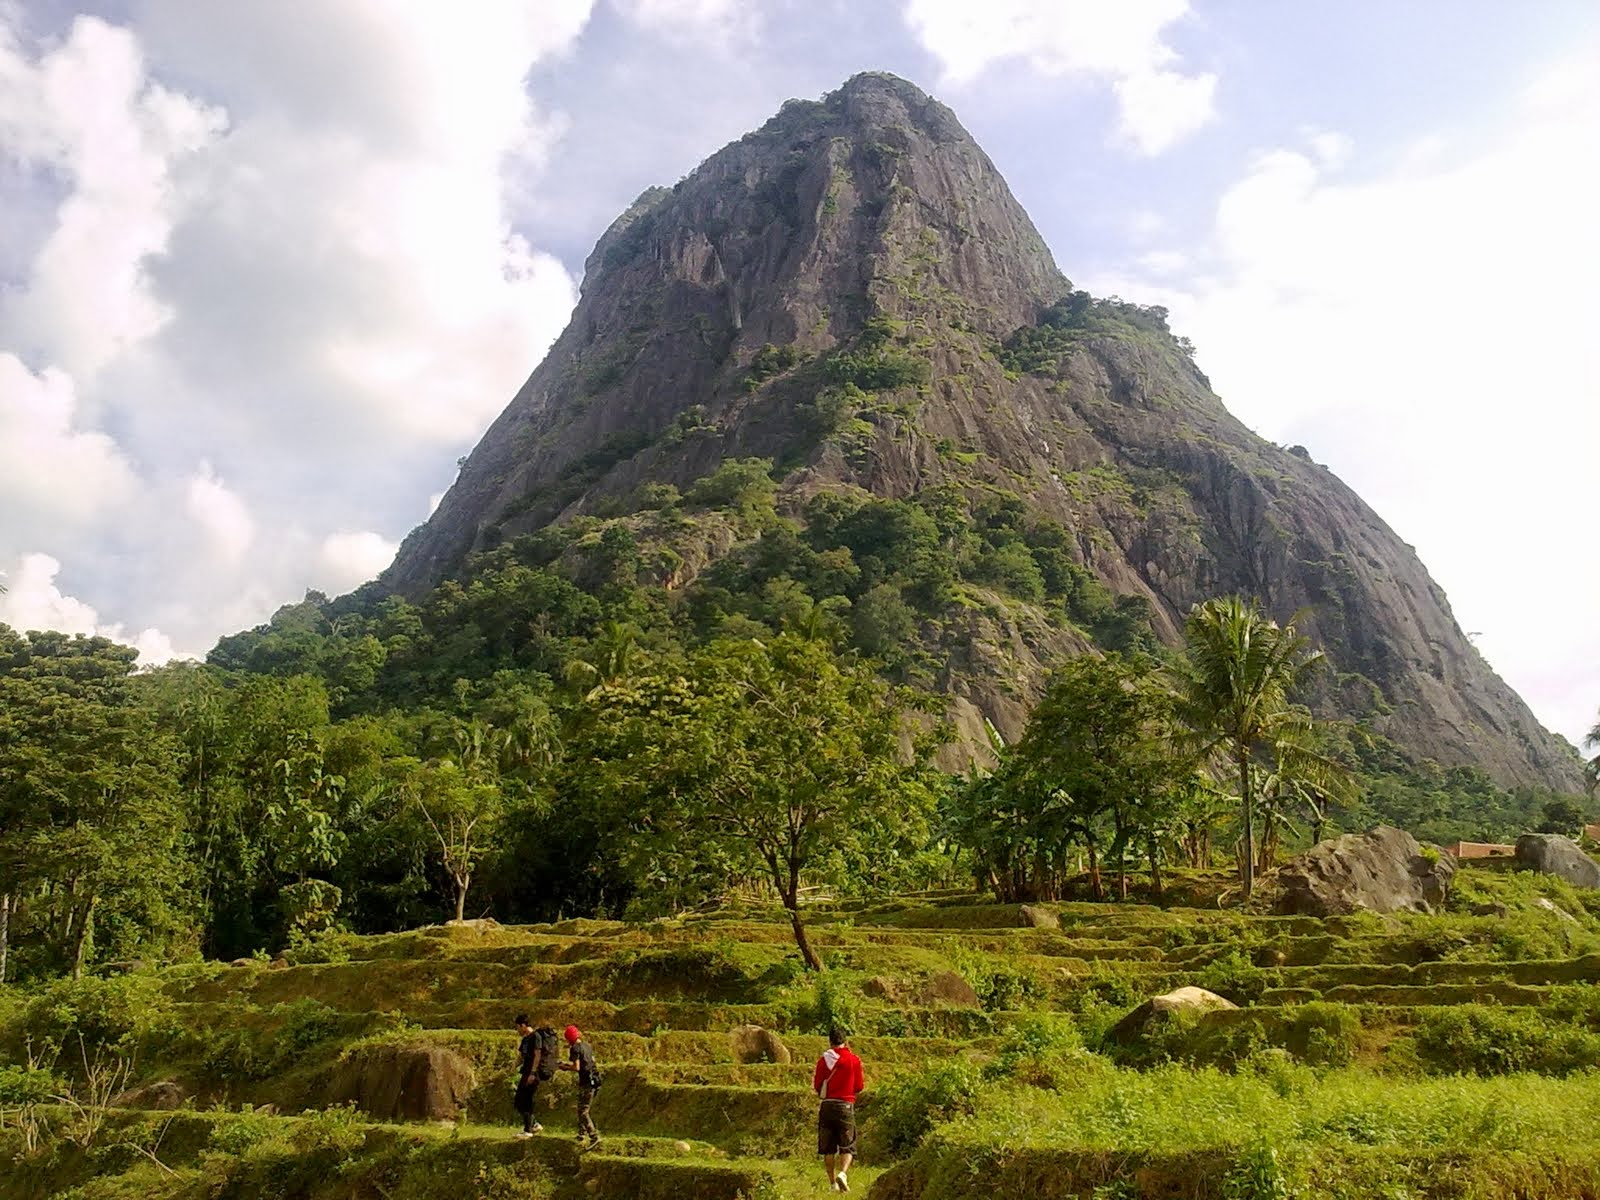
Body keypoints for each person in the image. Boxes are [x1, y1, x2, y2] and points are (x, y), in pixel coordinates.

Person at [813, 1027, 864, 1193]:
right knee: (847, 1144)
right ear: (845, 1041)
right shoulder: (853, 1060)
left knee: (828, 1147)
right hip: (845, 1105)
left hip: (827, 1105)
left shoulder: (823, 1060)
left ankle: (832, 1183)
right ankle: (843, 1173)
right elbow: (859, 1086)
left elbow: (817, 1085)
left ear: (830, 1041)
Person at [556, 1024, 602, 1147]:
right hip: (595, 1080)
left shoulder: (575, 1048)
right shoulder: (587, 1046)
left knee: (583, 1111)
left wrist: (563, 1067)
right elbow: (591, 1062)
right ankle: (581, 1134)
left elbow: (576, 1067)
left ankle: (594, 1136)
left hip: (587, 1082)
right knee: (581, 1107)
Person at [512, 1014, 545, 1137]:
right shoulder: (525, 1039)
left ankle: (528, 1130)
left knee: (525, 1100)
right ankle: (534, 1124)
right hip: (525, 1072)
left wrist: (532, 1073)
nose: (517, 1030)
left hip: (532, 1074)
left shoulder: (535, 1037)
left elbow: (537, 1055)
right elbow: (521, 1057)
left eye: (518, 1027)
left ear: (523, 1025)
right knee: (519, 1101)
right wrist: (512, 1068)